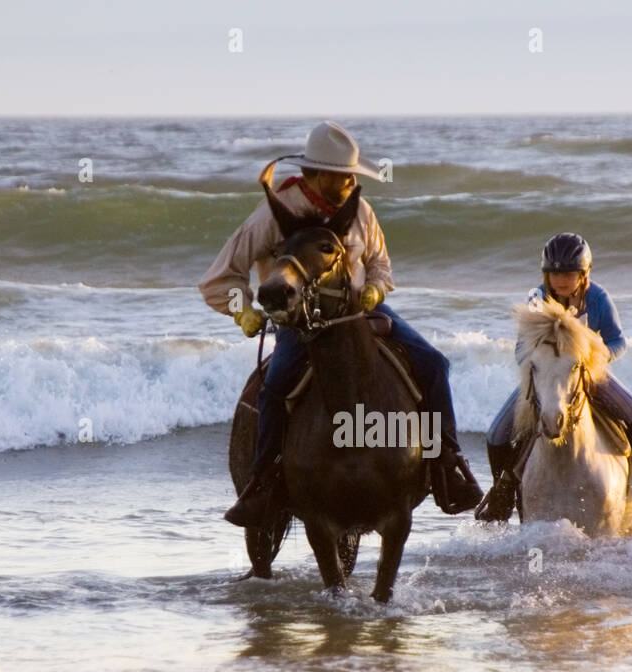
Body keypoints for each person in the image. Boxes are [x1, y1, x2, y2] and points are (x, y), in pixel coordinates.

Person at [198, 120, 483, 527]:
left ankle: (446, 465)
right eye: (342, 175)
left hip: (362, 313)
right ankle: (262, 485)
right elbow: (218, 277)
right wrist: (242, 310)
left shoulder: (359, 210)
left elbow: (380, 266)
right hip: (302, 324)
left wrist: (375, 293)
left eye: (352, 175)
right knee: (274, 388)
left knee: (435, 364)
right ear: (318, 175)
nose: (350, 181)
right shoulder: (275, 213)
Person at [476, 233, 632, 522]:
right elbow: (522, 348)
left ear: (584, 273)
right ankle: (502, 492)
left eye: (569, 273)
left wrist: (595, 357)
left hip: (589, 372)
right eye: (554, 273)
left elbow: (617, 341)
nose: (561, 280)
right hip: (544, 376)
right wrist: (535, 365)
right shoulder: (537, 299)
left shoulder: (597, 298)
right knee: (497, 432)